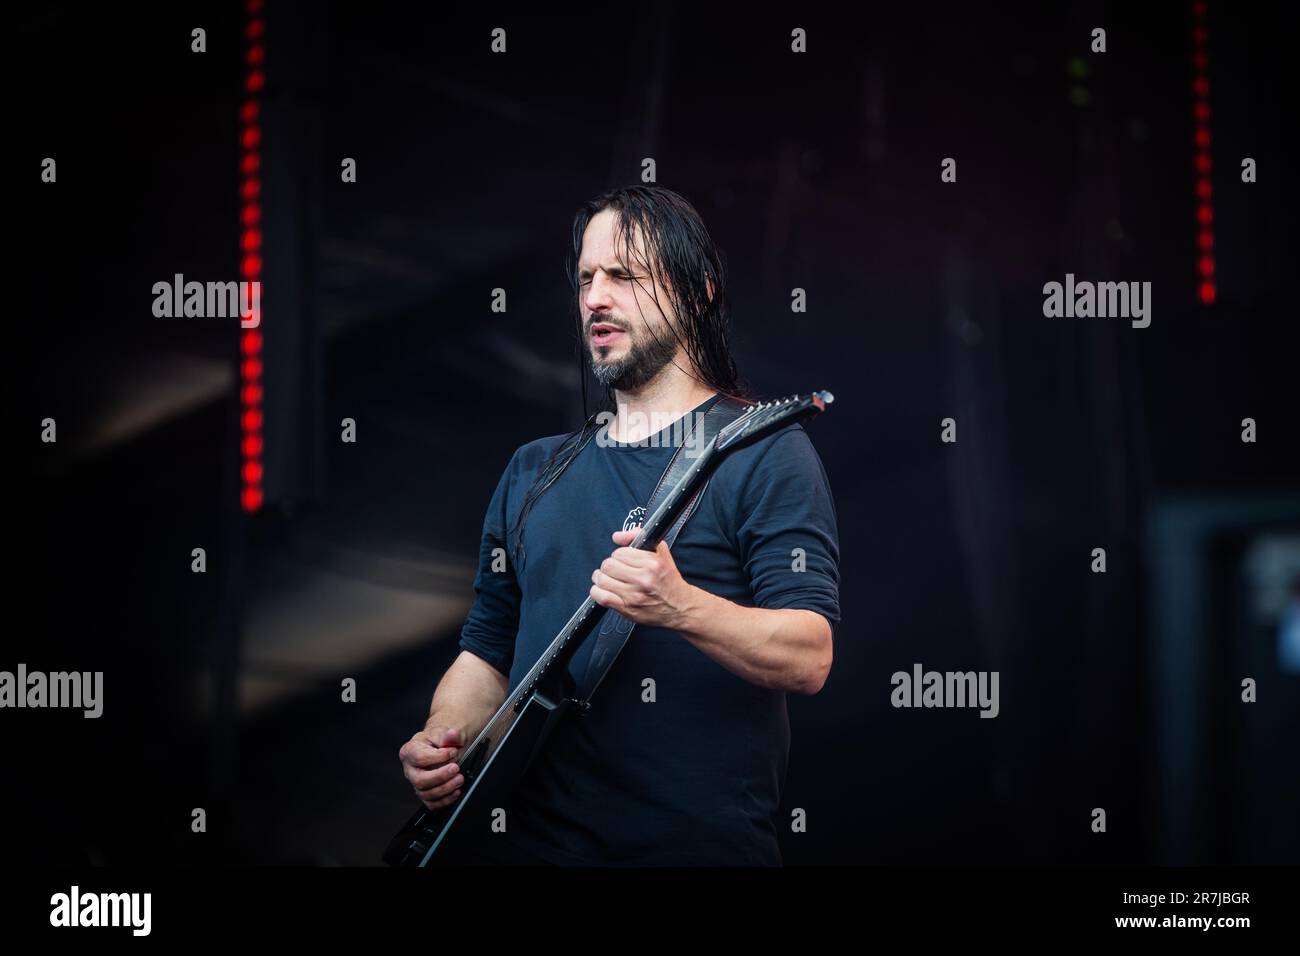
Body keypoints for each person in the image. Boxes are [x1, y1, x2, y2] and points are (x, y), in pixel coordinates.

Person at [398, 185, 841, 865]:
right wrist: (442, 735)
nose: (595, 298)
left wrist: (681, 607)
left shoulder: (762, 449)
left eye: (624, 276)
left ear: (699, 293)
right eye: (585, 278)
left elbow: (810, 655)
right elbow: (487, 649)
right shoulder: (532, 470)